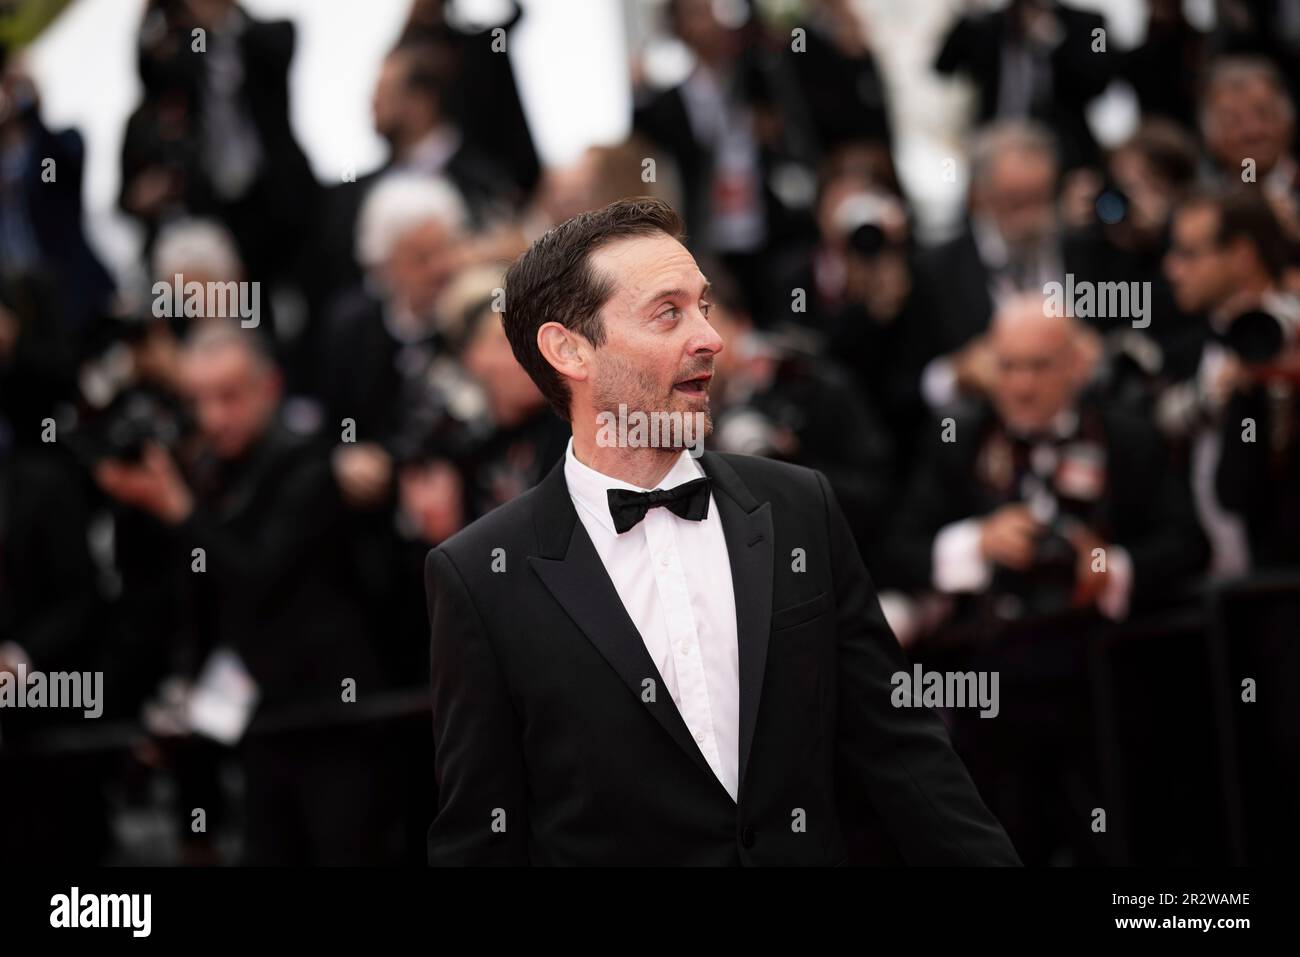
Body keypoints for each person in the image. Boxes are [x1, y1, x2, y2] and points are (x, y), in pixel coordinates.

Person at [423, 197, 1019, 865]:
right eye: (667, 313)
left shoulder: (798, 507)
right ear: (570, 349)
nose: (710, 338)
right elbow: (481, 839)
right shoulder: (481, 575)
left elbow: (903, 750)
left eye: (704, 307)